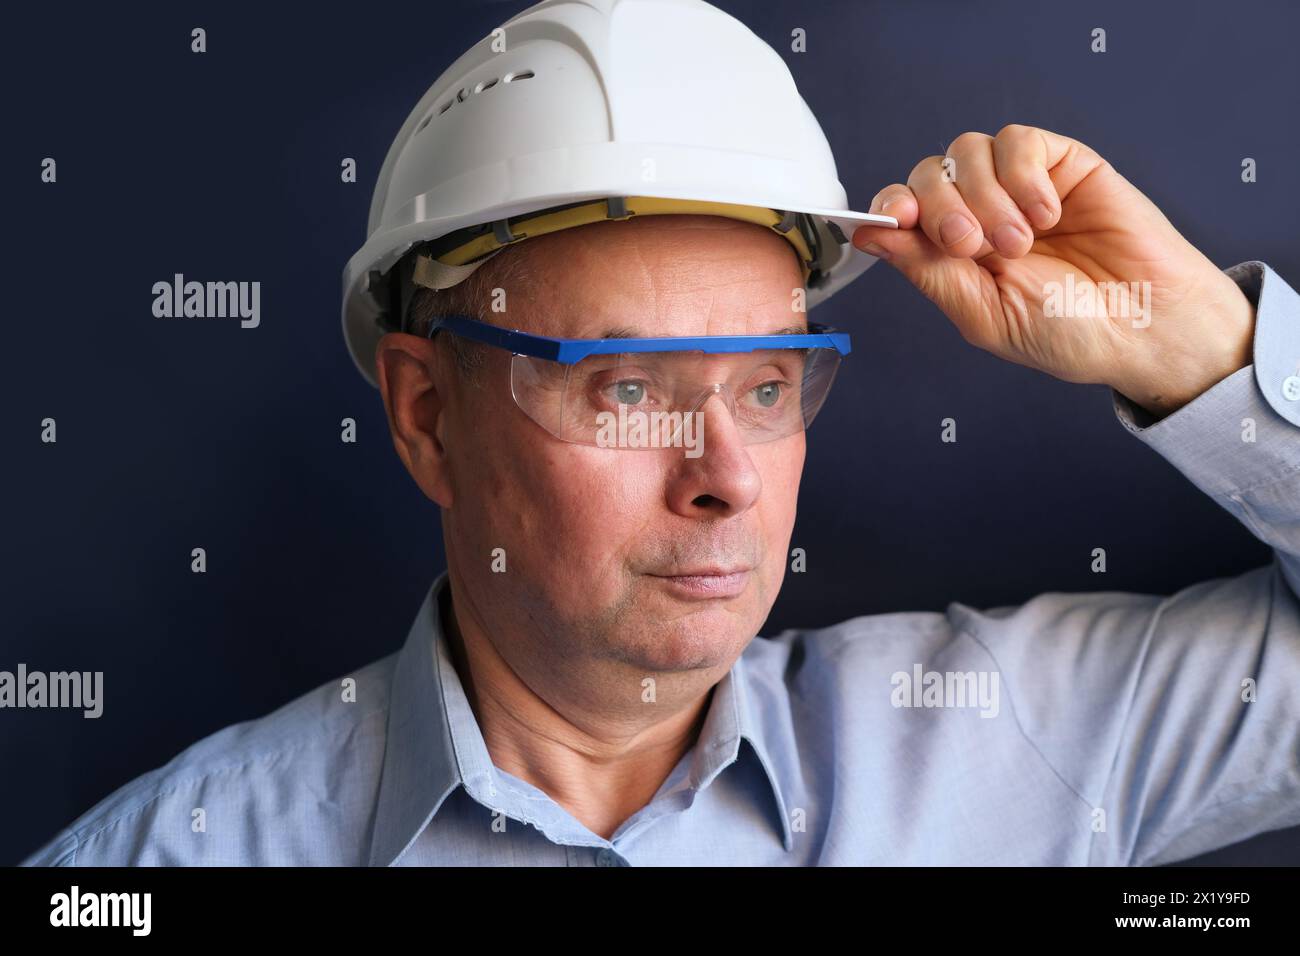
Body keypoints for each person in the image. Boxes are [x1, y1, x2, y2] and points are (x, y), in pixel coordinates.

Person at [22, 0, 1300, 866]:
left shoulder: (1008, 739)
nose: (727, 477)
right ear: (425, 416)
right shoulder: (164, 860)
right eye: (625, 388)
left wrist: (1203, 349)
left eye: (764, 384)